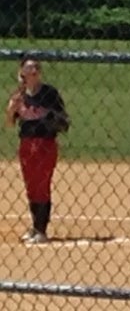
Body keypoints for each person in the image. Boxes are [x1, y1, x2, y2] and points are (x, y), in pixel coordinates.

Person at [4, 56, 69, 244]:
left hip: (45, 144)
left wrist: (49, 117)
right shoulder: (20, 95)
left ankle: (41, 230)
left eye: (35, 69)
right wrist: (11, 110)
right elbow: (10, 124)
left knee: (42, 185)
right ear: (21, 73)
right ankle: (34, 227)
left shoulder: (49, 93)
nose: (32, 73)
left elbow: (64, 120)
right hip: (26, 144)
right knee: (31, 186)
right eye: (28, 70)